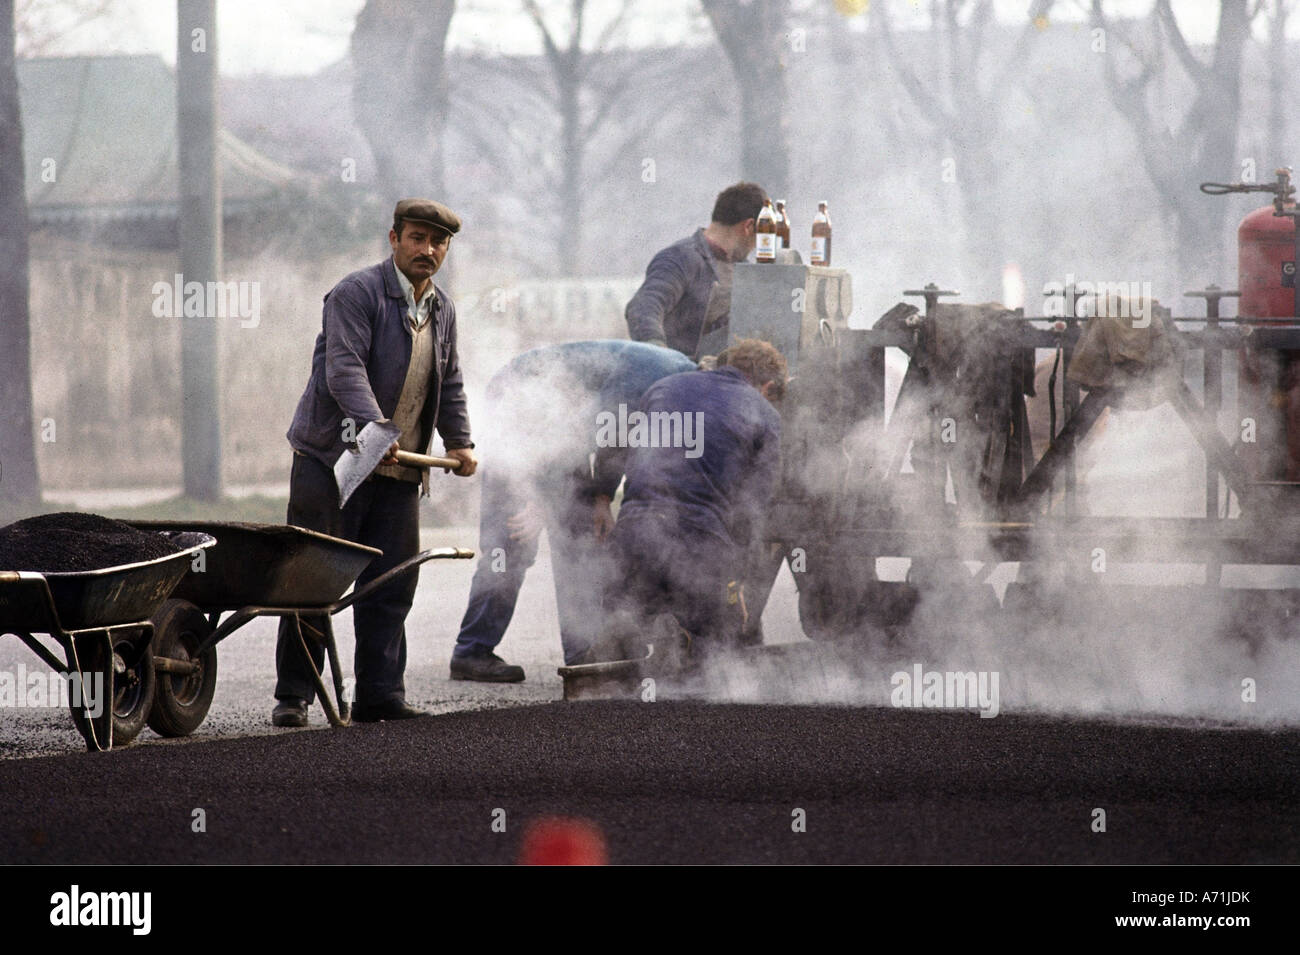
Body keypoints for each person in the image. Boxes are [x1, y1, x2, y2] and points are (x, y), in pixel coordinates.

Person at [272, 198, 478, 727]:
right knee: (315, 579)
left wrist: (460, 442)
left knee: (390, 583)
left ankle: (379, 695)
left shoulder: (443, 309)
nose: (426, 250)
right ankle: (295, 695)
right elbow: (344, 371)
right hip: (333, 460)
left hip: (398, 467)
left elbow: (447, 381)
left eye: (438, 242)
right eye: (416, 238)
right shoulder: (357, 294)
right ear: (394, 239)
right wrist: (373, 429)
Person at [451, 340, 697, 678]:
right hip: (523, 410)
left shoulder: (678, 379)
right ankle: (471, 652)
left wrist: (600, 497)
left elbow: (616, 440)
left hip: (562, 426)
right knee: (511, 544)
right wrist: (539, 499)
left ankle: (583, 651)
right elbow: (572, 431)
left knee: (581, 538)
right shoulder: (651, 379)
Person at [604, 339, 787, 659]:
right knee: (728, 639)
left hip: (631, 536)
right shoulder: (765, 414)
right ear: (768, 386)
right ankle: (683, 639)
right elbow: (753, 507)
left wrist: (600, 499)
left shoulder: (661, 388)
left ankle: (634, 637)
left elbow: (618, 451)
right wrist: (738, 581)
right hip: (700, 542)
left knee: (626, 617)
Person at [624, 181, 767, 360]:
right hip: (682, 377)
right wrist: (660, 355)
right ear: (749, 227)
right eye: (761, 235)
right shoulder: (680, 258)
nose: (756, 246)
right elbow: (643, 307)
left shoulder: (744, 270)